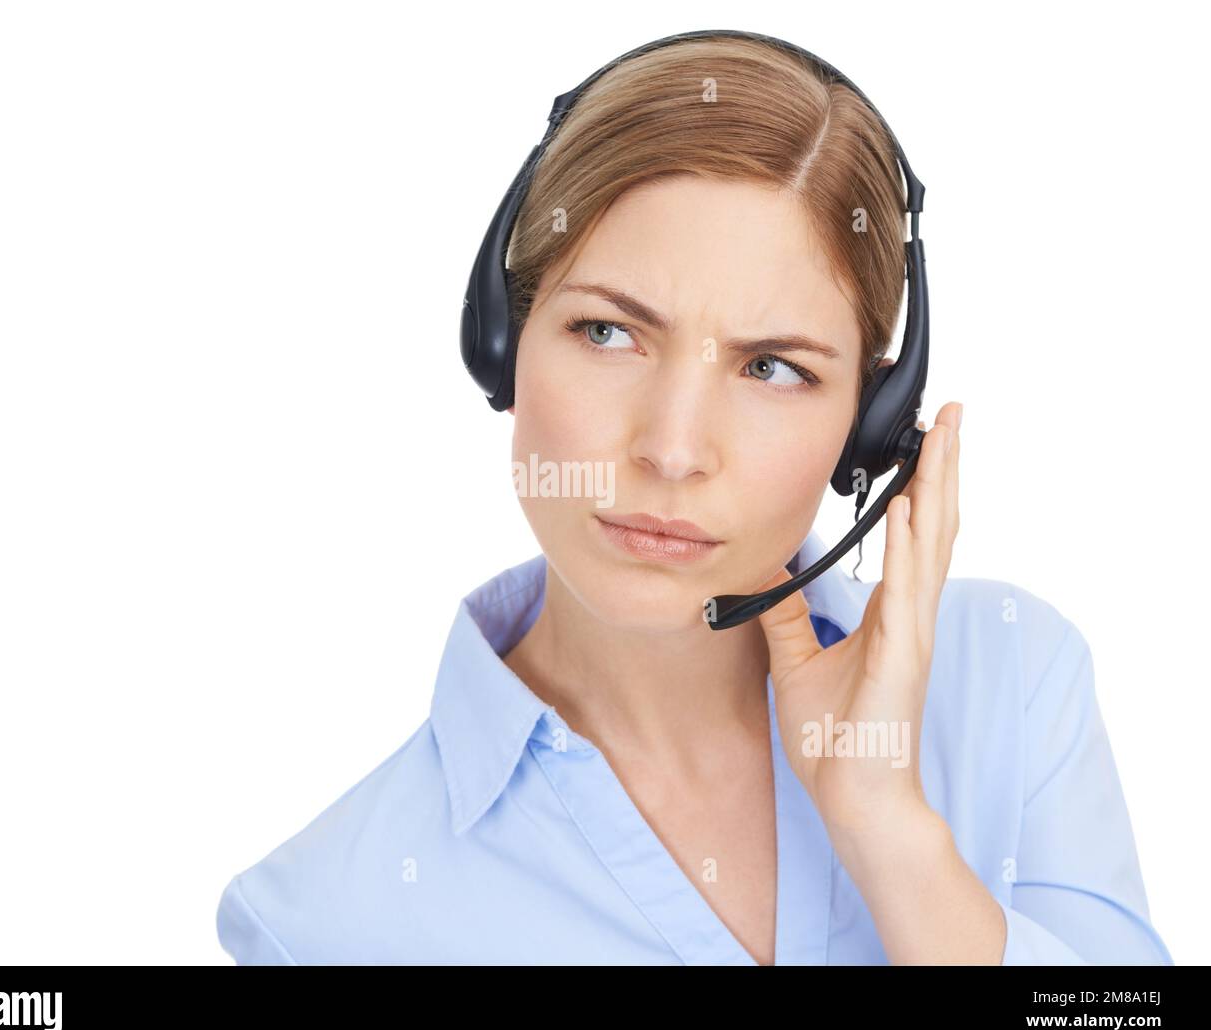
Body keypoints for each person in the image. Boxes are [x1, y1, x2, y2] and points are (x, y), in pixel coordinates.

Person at [216, 33, 1171, 965]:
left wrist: (888, 829)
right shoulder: (323, 919)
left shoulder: (1014, 678)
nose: (672, 450)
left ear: (871, 424)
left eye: (771, 367)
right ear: (501, 339)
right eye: (606, 332)